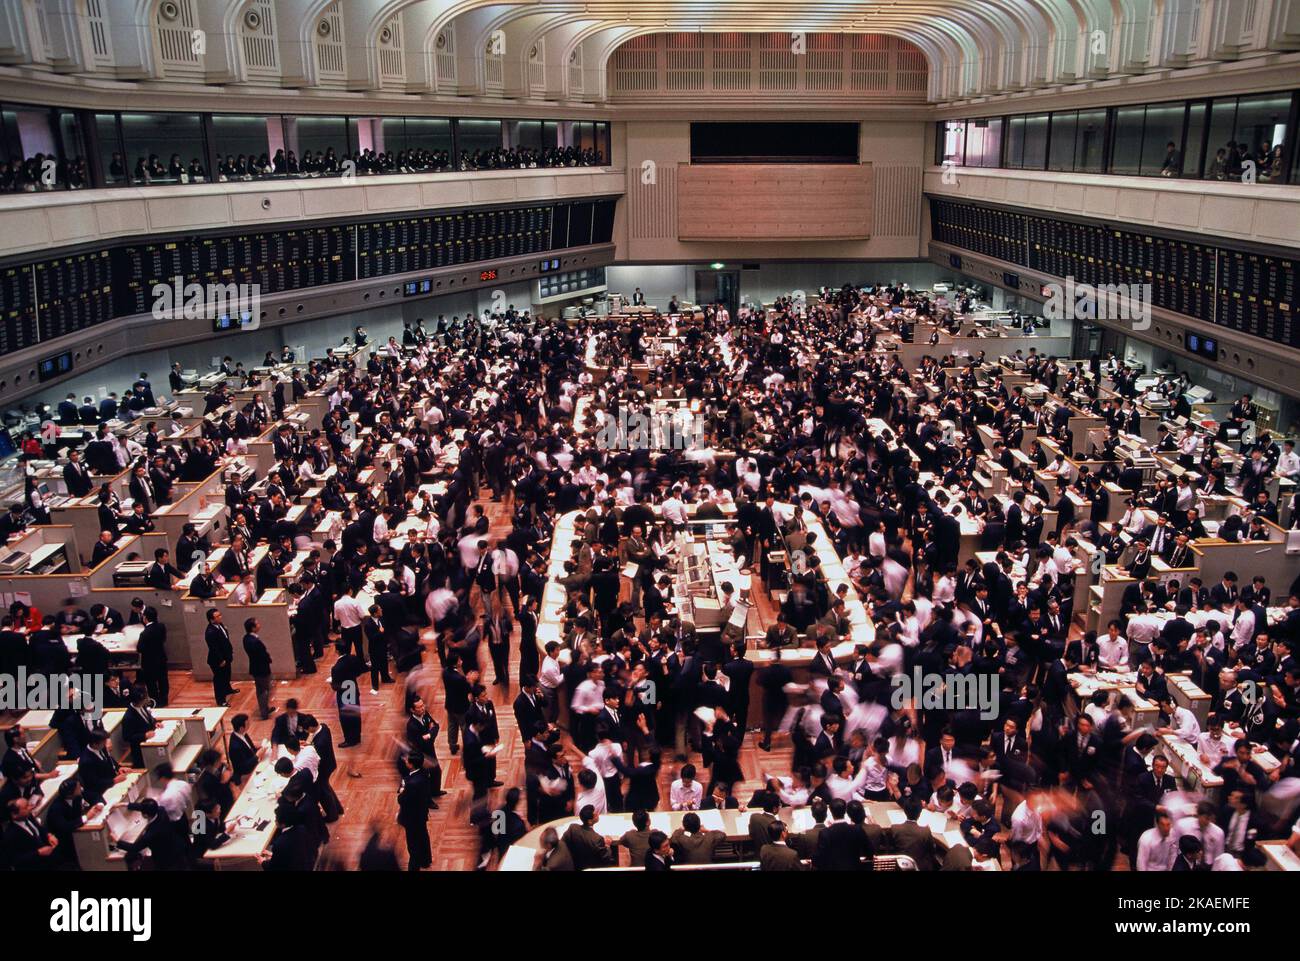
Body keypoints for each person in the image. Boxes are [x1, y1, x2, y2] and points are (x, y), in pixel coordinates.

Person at [397, 751, 433, 871]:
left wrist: (402, 791)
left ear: (412, 765)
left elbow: (402, 800)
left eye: (407, 761)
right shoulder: (424, 772)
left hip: (412, 817)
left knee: (413, 844)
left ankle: (414, 867)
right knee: (423, 836)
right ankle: (426, 860)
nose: (405, 761)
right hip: (421, 812)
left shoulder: (412, 783)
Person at [204, 608, 238, 706]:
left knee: (227, 674)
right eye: (217, 616)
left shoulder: (220, 625)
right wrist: (221, 660)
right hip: (217, 660)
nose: (220, 617)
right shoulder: (210, 632)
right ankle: (221, 700)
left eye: (220, 615)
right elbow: (214, 648)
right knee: (219, 680)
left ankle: (228, 690)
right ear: (211, 620)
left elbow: (225, 640)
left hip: (226, 656)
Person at [243, 616, 274, 719]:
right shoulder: (254, 642)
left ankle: (265, 708)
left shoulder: (246, 638)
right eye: (257, 624)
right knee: (264, 691)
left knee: (262, 689)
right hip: (261, 669)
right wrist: (268, 659)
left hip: (256, 668)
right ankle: (264, 712)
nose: (259, 625)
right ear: (253, 628)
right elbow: (261, 655)